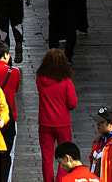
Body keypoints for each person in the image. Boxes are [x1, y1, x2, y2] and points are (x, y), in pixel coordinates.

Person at [36, 50, 79, 182]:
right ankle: (62, 179)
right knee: (66, 155)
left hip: (45, 122)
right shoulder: (65, 81)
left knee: (47, 157)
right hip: (63, 123)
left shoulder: (40, 79)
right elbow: (72, 103)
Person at [0, 38, 25, 182]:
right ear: (5, 55)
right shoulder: (14, 72)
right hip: (9, 118)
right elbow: (15, 90)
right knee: (8, 154)